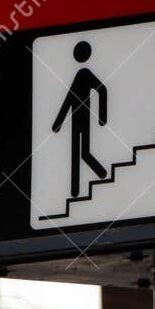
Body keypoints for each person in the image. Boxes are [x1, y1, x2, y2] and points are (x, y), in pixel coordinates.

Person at [52, 41, 109, 199]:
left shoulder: (84, 74)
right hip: (76, 119)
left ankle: (102, 173)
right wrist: (58, 123)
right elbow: (69, 99)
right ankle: (75, 191)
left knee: (83, 152)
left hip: (84, 118)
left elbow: (102, 90)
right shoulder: (80, 75)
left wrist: (102, 118)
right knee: (76, 153)